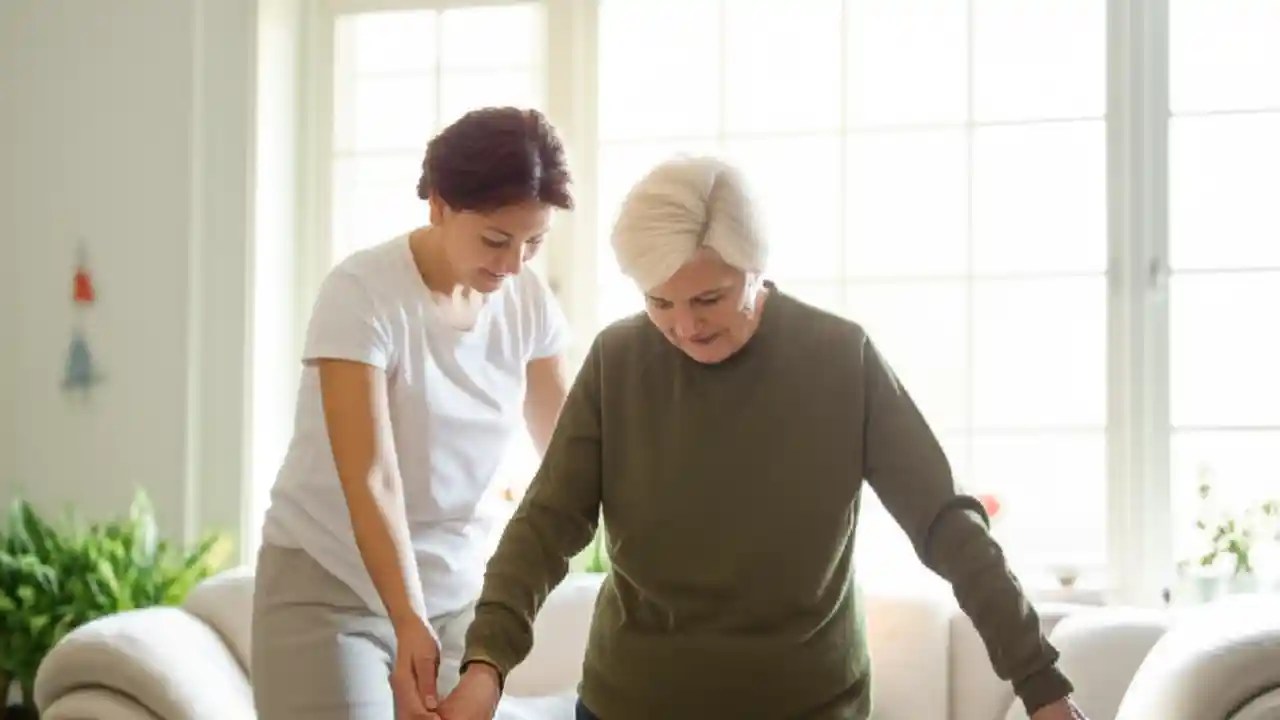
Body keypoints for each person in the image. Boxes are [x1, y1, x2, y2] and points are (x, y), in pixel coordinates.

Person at [438, 156, 1091, 720]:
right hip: (632, 704)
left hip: (807, 706)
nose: (685, 328)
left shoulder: (839, 358)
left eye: (710, 299)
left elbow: (946, 523)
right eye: (660, 303)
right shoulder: (618, 361)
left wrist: (1041, 686)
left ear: (756, 268)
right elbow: (545, 525)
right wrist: (486, 663)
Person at [250, 107, 575, 720]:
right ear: (439, 206)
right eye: (496, 240)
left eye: (533, 243)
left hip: (455, 596)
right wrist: (406, 619)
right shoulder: (361, 293)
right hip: (329, 587)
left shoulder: (528, 302)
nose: (513, 264)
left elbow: (571, 453)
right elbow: (372, 476)